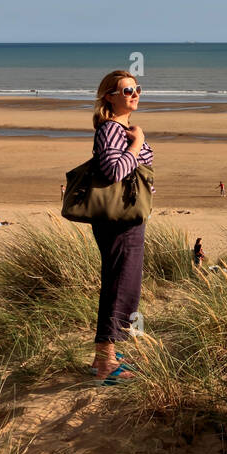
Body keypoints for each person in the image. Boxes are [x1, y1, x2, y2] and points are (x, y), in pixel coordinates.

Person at [89, 70, 152, 385]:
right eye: (127, 89)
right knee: (119, 286)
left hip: (128, 217)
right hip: (118, 219)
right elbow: (114, 171)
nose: (134, 93)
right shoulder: (111, 130)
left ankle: (104, 355)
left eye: (137, 88)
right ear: (109, 97)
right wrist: (137, 143)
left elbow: (146, 163)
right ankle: (106, 363)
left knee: (123, 283)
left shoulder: (122, 127)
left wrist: (138, 140)